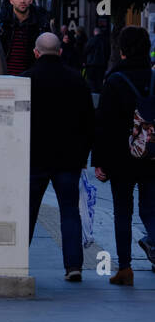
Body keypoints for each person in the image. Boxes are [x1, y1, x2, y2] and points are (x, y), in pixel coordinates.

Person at [26, 33, 94, 281]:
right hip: (68, 159)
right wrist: (83, 154)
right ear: (60, 52)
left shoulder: (27, 80)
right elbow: (89, 122)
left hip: (34, 157)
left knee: (28, 211)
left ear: (36, 53)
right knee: (69, 211)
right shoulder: (77, 80)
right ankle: (73, 265)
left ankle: (16, 260)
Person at [93, 25, 155, 285]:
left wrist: (99, 162)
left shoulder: (115, 80)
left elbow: (104, 125)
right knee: (151, 207)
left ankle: (125, 269)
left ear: (122, 51)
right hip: (152, 156)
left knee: (122, 211)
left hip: (121, 158)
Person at [0, 0, 51, 77]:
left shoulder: (41, 23)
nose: (22, 1)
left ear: (31, 0)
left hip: (32, 79)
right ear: (11, 0)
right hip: (3, 79)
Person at [84, 23, 111, 96]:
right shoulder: (105, 41)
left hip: (91, 64)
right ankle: (100, 97)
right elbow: (108, 53)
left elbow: (86, 51)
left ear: (94, 32)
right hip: (101, 64)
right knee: (100, 82)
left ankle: (94, 97)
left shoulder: (91, 40)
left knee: (91, 82)